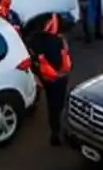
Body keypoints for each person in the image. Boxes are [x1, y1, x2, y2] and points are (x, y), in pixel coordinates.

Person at [29, 13, 72, 147]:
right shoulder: (57, 41)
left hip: (44, 76)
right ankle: (58, 130)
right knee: (58, 104)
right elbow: (64, 54)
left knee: (50, 102)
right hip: (59, 78)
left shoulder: (34, 40)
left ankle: (54, 129)